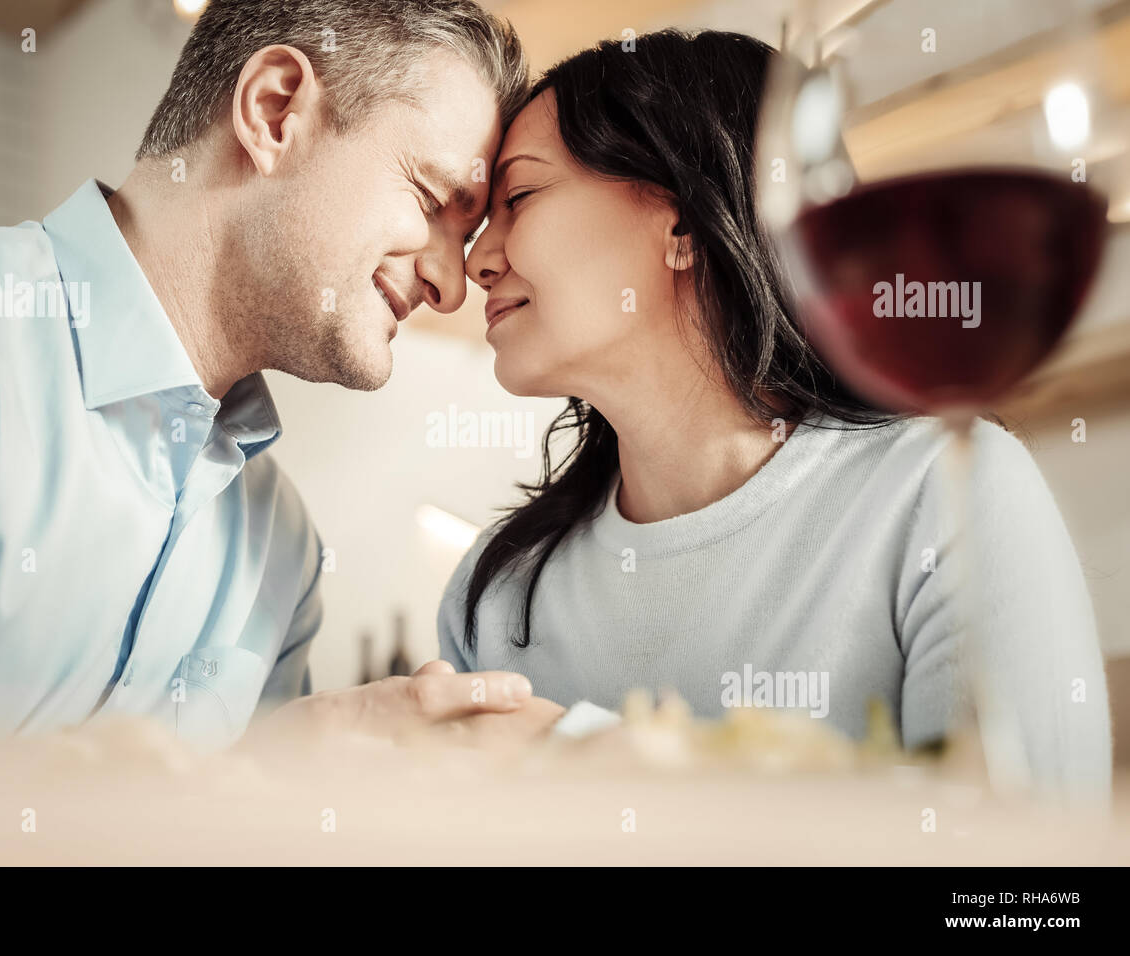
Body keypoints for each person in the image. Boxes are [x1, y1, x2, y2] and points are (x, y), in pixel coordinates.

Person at [0, 0, 552, 779]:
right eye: (433, 200)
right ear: (274, 111)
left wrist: (281, 785)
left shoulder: (284, 553)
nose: (450, 286)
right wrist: (219, 782)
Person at [437, 29, 1112, 803]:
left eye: (518, 199)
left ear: (683, 219)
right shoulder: (495, 592)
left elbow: (1025, 894)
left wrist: (586, 755)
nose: (477, 259)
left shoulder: (941, 493)